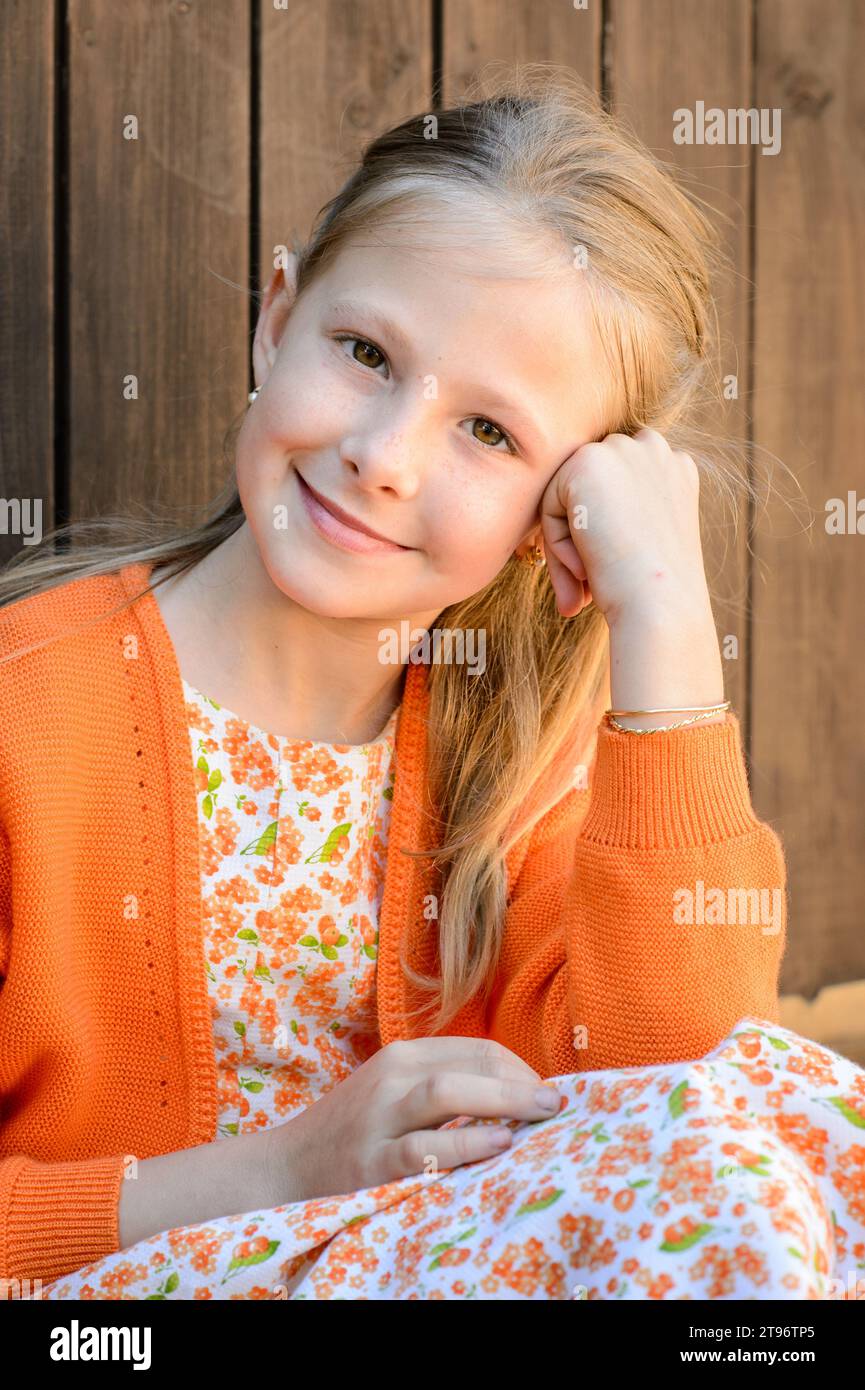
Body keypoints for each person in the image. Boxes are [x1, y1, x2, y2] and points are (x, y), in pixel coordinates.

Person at [2, 66, 863, 1302]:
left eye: (489, 433)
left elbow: (673, 1080)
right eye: (364, 351)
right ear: (276, 317)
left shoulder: (525, 763)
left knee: (795, 1120)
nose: (382, 457)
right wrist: (286, 1171)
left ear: (552, 510)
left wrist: (665, 621)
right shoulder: (27, 717)